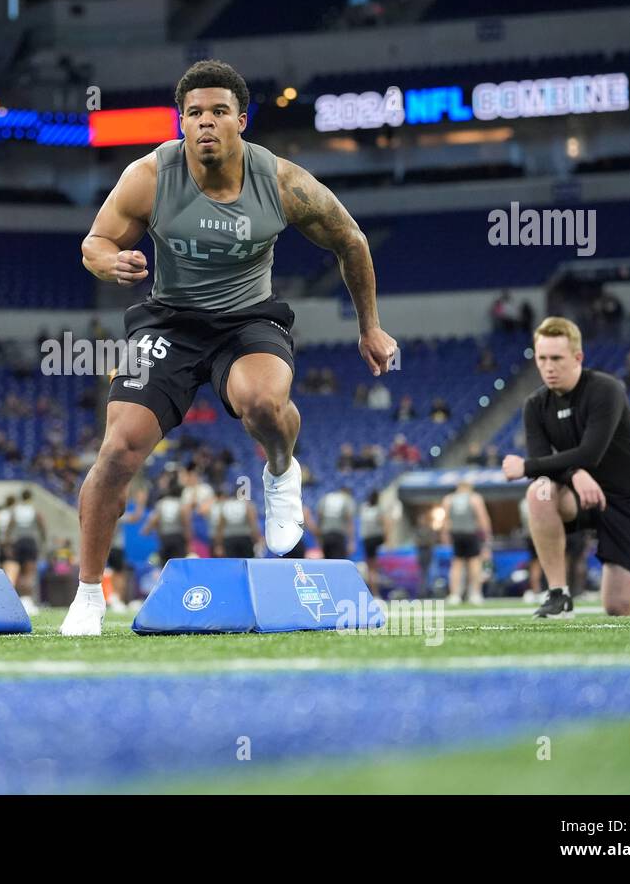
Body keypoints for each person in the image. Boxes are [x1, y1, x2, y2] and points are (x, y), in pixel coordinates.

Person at [60, 59, 394, 636]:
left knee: (263, 404)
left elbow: (351, 239)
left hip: (248, 321)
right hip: (168, 323)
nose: (206, 123)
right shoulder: (149, 176)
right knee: (117, 450)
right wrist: (107, 260)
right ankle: (89, 596)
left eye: (219, 112)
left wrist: (370, 326)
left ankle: (281, 471)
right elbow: (95, 239)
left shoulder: (282, 182)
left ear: (242, 120)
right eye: (194, 114)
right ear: (181, 123)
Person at [502, 317, 630, 618]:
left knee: (619, 606)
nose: (548, 366)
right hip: (582, 495)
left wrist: (525, 466)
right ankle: (558, 594)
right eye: (542, 358)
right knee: (540, 491)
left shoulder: (606, 389)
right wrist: (575, 474)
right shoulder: (535, 405)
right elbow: (545, 462)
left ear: (578, 357)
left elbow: (590, 453)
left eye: (556, 358)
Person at [441, 479, 490, 605]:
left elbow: (445, 520)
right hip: (471, 533)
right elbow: (482, 517)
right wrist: (486, 535)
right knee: (474, 563)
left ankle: (454, 595)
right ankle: (475, 593)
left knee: (456, 564)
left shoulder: (449, 499)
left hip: (456, 534)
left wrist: (445, 534)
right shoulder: (474, 498)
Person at [5, 489, 46, 615]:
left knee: (19, 573)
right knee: (29, 573)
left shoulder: (15, 510)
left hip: (18, 543)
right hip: (30, 542)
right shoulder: (34, 510)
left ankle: (20, 600)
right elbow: (42, 526)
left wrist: (8, 544)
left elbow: (9, 528)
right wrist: (42, 539)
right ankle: (27, 601)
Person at [141, 483, 190, 564]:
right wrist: (188, 539)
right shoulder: (180, 503)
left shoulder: (161, 503)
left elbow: (154, 518)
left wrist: (146, 529)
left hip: (165, 537)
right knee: (179, 563)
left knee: (165, 563)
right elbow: (185, 521)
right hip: (177, 537)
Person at [210, 490, 260, 559]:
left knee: (231, 562)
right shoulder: (246, 504)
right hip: (244, 538)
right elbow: (252, 523)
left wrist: (218, 544)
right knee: (247, 561)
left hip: (229, 539)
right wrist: (257, 537)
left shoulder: (225, 505)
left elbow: (220, 526)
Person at [359, 490, 390, 597]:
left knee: (370, 568)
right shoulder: (378, 509)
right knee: (374, 568)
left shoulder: (364, 509)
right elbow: (385, 524)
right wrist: (387, 539)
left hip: (367, 539)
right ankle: (376, 592)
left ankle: (373, 591)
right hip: (376, 539)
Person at [316, 487, 356, 561]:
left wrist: (319, 538)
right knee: (338, 562)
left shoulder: (326, 498)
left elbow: (319, 518)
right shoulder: (346, 499)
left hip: (326, 535)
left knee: (327, 561)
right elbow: (349, 521)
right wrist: (351, 541)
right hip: (338, 534)